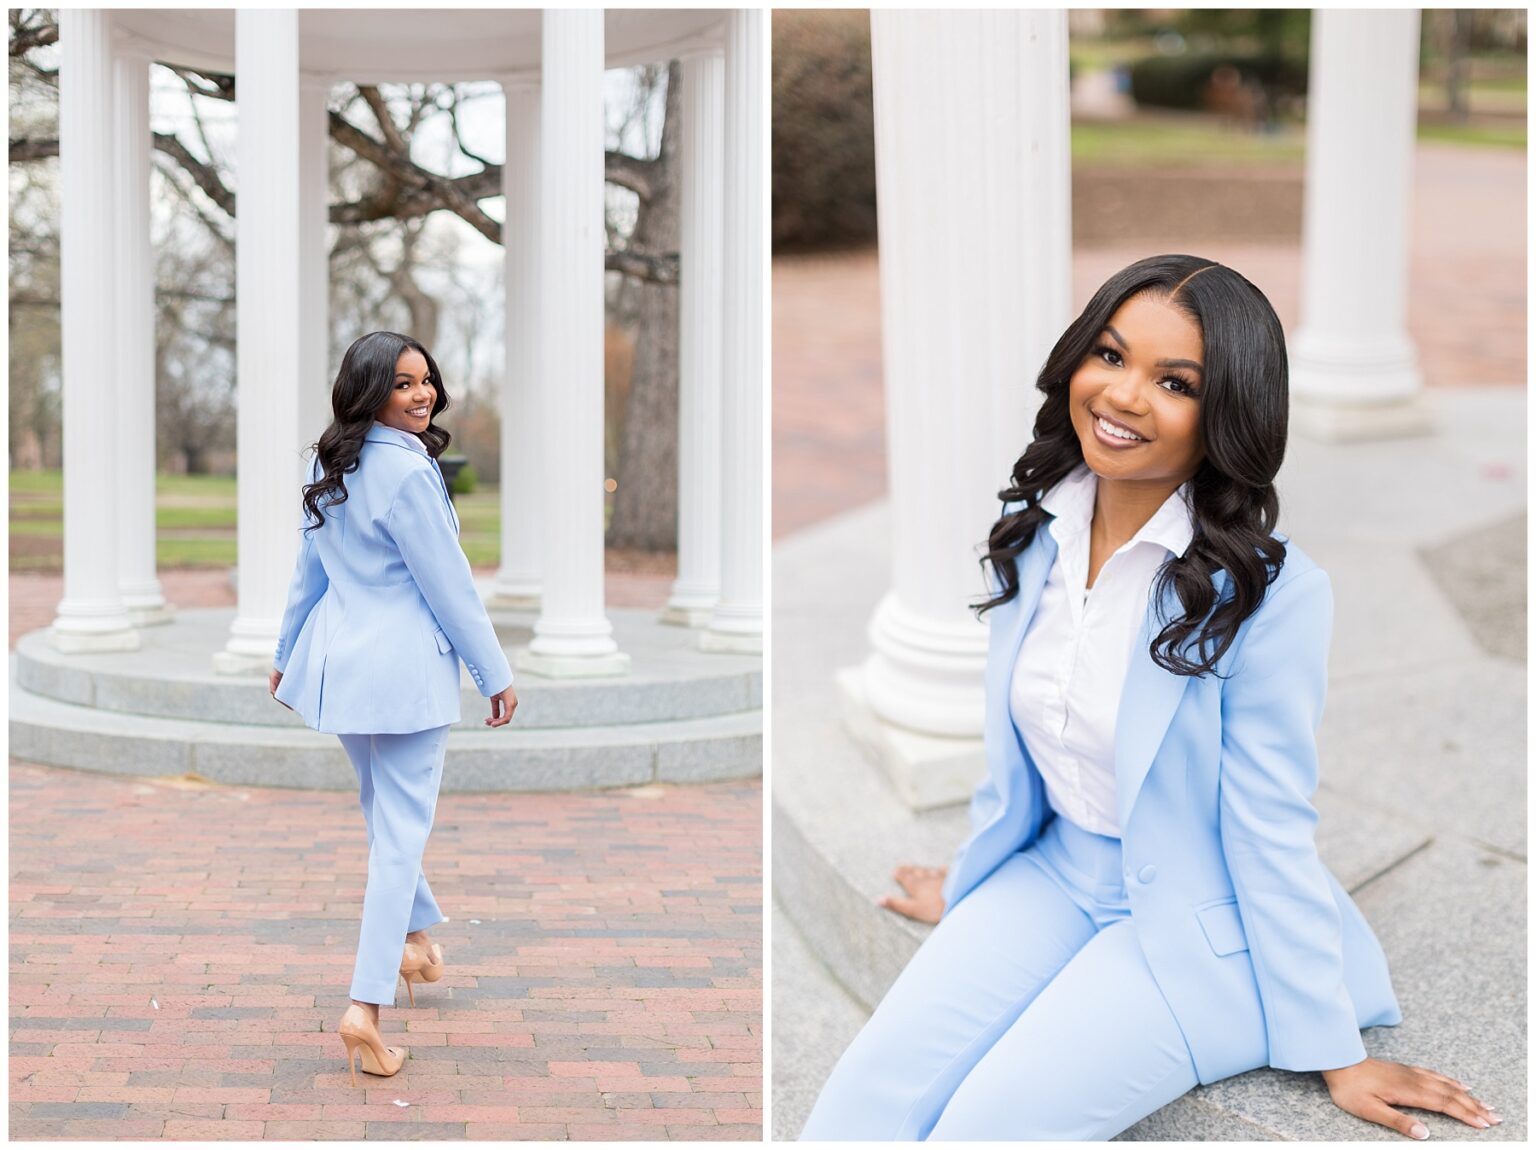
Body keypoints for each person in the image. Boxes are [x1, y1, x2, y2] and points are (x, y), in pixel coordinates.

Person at [799, 255, 1499, 1141]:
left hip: (1196, 918)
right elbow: (1028, 747)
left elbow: (1270, 824)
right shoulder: (1035, 536)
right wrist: (975, 878)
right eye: (1110, 355)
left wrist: (1336, 1048)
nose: (1123, 396)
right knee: (860, 1104)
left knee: (983, 1128)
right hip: (1051, 872)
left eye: (1175, 382)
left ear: (1227, 417)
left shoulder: (1271, 595)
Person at [268, 331, 519, 1087]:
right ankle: (364, 1009)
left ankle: (414, 942)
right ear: (369, 391)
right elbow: (449, 586)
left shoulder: (330, 463)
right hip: (404, 677)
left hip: (342, 670)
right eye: (403, 384)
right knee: (398, 840)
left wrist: (285, 655)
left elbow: (307, 573)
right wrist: (494, 670)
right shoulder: (411, 475)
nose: (421, 395)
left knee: (386, 820)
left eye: (426, 382)